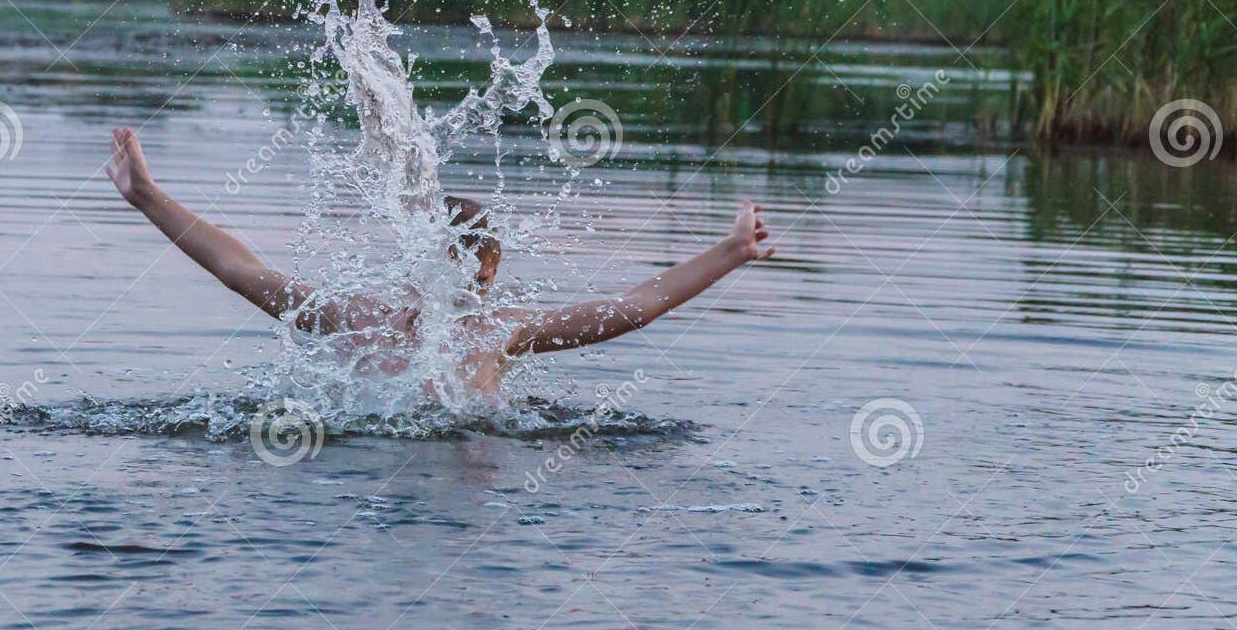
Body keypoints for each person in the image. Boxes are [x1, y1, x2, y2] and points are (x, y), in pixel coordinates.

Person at [106, 127, 774, 394]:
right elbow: (630, 310)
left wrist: (148, 197)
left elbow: (238, 268)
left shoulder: (353, 312)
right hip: (462, 480)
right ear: (489, 268)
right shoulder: (501, 329)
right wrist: (729, 251)